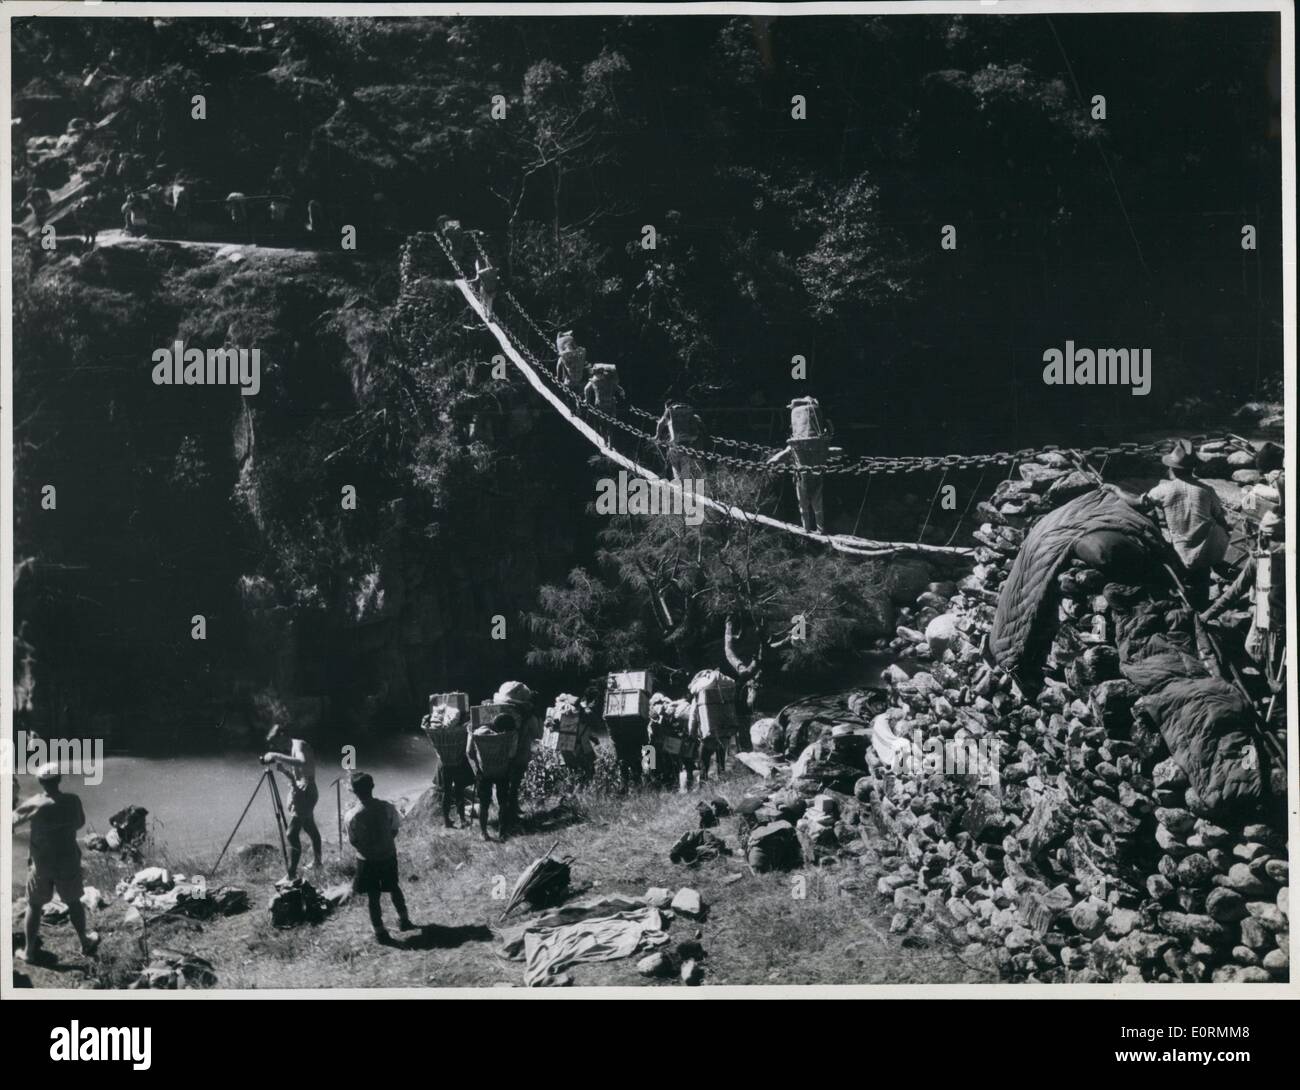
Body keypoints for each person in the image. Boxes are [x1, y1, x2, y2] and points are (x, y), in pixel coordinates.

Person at [13, 762, 100, 963]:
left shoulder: (35, 803)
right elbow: (79, 823)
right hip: (68, 859)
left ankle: (29, 952)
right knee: (73, 901)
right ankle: (85, 942)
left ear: (41, 782)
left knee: (34, 905)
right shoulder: (73, 800)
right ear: (59, 779)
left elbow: (10, 820)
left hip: (41, 863)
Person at [1202, 509, 1285, 691]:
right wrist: (1208, 614)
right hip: (1265, 623)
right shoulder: (1259, 559)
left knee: (1277, 674)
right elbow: (1235, 591)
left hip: (1279, 628)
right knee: (1255, 655)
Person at [1145, 441, 1230, 609]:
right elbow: (1220, 518)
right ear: (1193, 468)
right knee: (1201, 584)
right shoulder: (1207, 490)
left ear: (1172, 469)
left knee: (1183, 587)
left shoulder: (1163, 490)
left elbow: (1140, 502)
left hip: (1180, 552)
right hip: (1204, 552)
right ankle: (1203, 611)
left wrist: (1115, 490)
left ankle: (1187, 611)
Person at [345, 772, 414, 944]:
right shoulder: (387, 807)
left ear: (353, 791)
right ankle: (404, 919)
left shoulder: (351, 815)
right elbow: (394, 828)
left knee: (373, 896)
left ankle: (379, 931)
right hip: (387, 854)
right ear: (373, 787)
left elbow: (353, 840)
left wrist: (368, 848)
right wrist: (384, 843)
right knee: (394, 887)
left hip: (366, 860)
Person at [261, 724, 321, 879]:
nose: (276, 746)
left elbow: (301, 761)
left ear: (282, 735)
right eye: (274, 745)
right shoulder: (293, 747)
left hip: (306, 792)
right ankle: (318, 863)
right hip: (303, 791)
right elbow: (298, 775)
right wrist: (285, 771)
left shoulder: (299, 744)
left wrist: (275, 755)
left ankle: (291, 874)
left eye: (276, 742)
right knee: (310, 828)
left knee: (291, 833)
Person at [766, 399, 833, 534]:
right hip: (816, 474)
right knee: (816, 502)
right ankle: (819, 529)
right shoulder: (819, 445)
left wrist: (772, 461)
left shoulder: (795, 446)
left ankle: (807, 528)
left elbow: (783, 455)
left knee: (804, 503)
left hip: (802, 477)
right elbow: (833, 451)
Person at [494, 682, 541, 832]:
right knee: (514, 785)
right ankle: (512, 814)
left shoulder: (496, 711)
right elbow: (537, 734)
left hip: (500, 754)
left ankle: (506, 814)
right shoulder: (527, 716)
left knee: (504, 785)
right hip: (520, 754)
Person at [467, 713, 517, 840]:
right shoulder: (507, 737)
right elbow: (511, 755)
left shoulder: (478, 734)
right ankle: (502, 832)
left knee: (484, 804)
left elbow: (469, 752)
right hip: (502, 771)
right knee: (503, 802)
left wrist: (478, 764)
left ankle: (483, 833)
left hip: (484, 772)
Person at [655, 401, 705, 482]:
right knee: (685, 467)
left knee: (675, 466)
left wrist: (657, 436)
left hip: (675, 445)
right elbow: (698, 424)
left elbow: (661, 423)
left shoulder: (670, 410)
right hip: (688, 446)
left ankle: (680, 485)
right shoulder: (688, 411)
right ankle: (686, 487)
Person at [470, 255, 499, 320]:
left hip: (485, 288)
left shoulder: (486, 271)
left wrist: (478, 267)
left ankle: (486, 314)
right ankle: (489, 316)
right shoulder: (495, 271)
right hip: (492, 289)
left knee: (484, 301)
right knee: (490, 303)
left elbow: (479, 274)